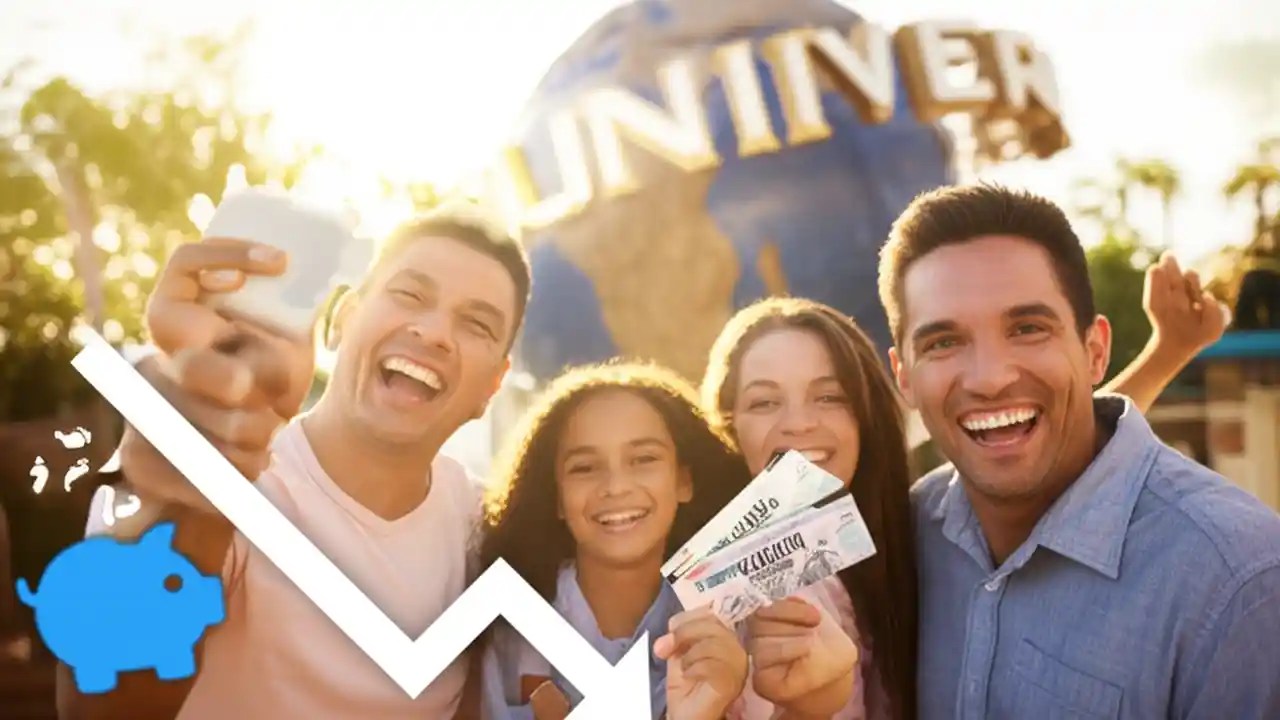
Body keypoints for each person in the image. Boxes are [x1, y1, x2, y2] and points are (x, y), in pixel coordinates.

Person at [60, 203, 532, 719]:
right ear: (342, 322)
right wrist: (195, 493)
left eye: (477, 325)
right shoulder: (214, 470)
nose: (435, 331)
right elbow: (95, 707)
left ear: (492, 387)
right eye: (410, 295)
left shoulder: (489, 530)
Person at [880, 183, 1280, 719]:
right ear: (903, 377)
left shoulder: (1239, 583)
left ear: (1095, 352)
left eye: (1027, 328)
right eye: (943, 342)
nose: (990, 379)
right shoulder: (910, 534)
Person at [476, 362, 752, 720]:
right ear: (557, 497)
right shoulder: (505, 627)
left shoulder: (729, 622)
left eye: (644, 459)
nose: (616, 486)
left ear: (684, 481)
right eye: (585, 467)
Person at [700, 297, 917, 720]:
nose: (799, 424)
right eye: (764, 402)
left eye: (829, 397)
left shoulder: (918, 535)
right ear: (730, 427)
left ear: (866, 416)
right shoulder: (732, 597)